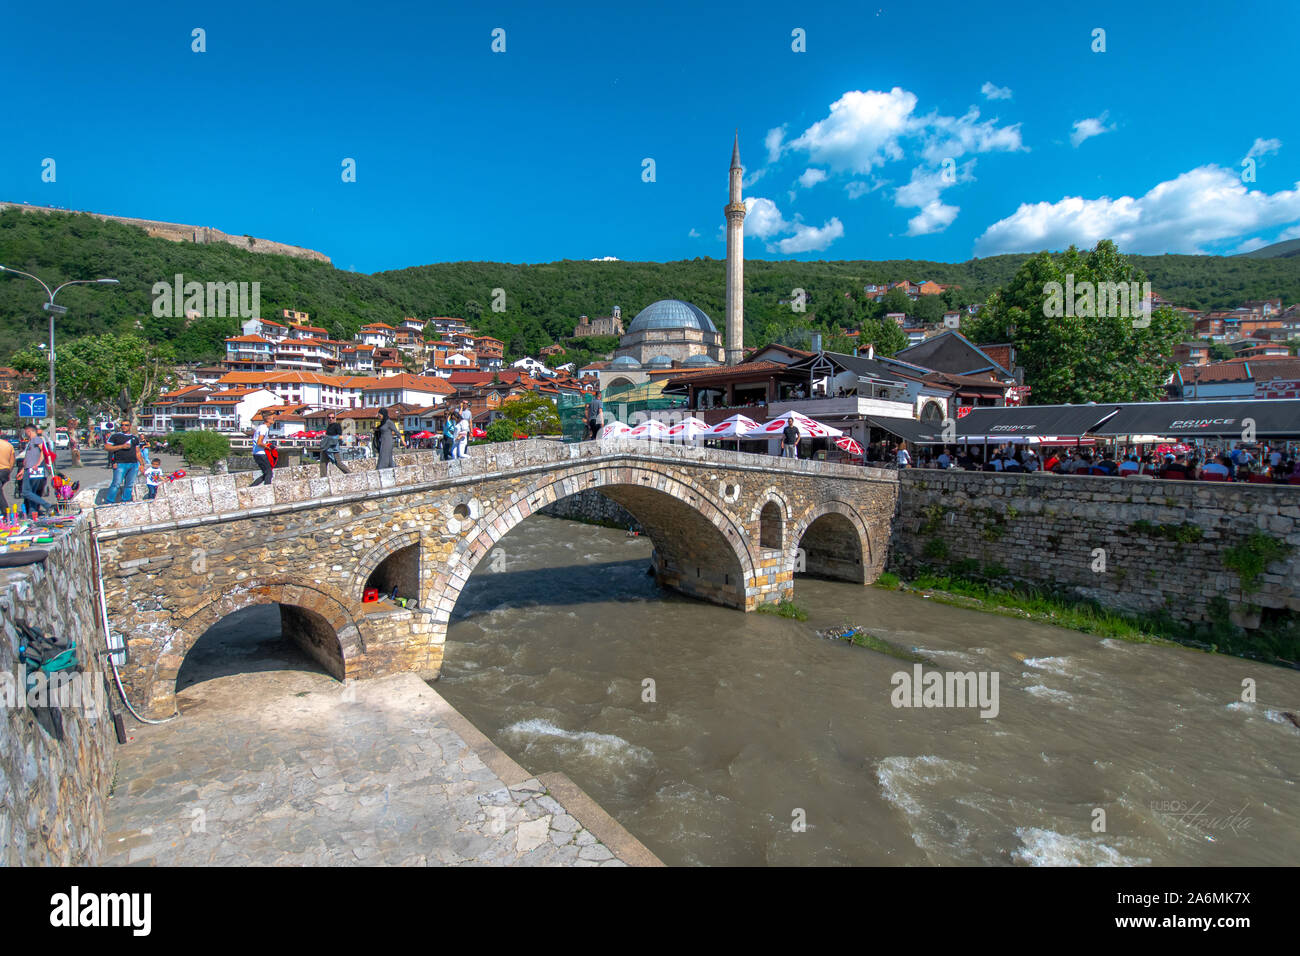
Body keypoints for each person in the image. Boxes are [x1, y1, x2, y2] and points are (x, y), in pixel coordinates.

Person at [104, 420, 145, 503]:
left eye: (126, 425)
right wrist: (121, 446)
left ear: (130, 426)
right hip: (120, 463)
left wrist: (142, 464)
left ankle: (126, 501)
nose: (124, 426)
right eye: (122, 425)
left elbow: (138, 452)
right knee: (116, 483)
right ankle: (109, 502)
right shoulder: (115, 436)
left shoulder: (135, 438)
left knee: (129, 484)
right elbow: (107, 447)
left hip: (133, 464)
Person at [16, 425, 50, 516]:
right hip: (29, 469)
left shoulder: (36, 439)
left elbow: (44, 451)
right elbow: (28, 458)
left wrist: (38, 464)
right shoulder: (31, 441)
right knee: (31, 492)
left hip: (33, 469)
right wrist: (23, 470)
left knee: (26, 492)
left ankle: (47, 505)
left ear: (28, 431)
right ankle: (32, 513)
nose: (25, 434)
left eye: (25, 432)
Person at [249, 419, 274, 486]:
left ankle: (252, 487)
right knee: (269, 473)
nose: (274, 419)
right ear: (268, 420)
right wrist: (268, 447)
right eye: (272, 418)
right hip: (260, 453)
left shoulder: (260, 427)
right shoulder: (264, 428)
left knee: (267, 473)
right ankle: (267, 488)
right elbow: (259, 442)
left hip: (256, 453)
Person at [0, 434, 13, 514]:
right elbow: (12, 461)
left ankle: (5, 512)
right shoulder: (8, 445)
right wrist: (9, 471)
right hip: (5, 471)